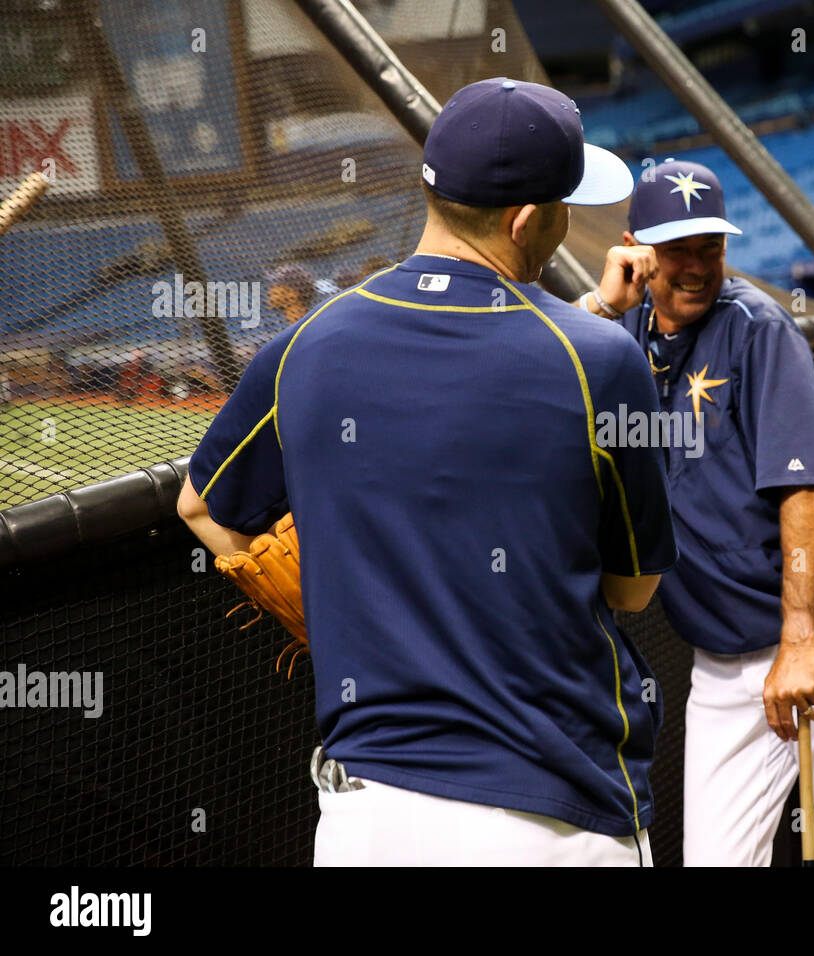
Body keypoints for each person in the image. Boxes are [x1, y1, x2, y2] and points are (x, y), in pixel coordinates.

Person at [177, 78, 676, 866]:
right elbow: (632, 588)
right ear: (525, 220)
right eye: (563, 204)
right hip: (552, 814)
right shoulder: (601, 362)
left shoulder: (305, 347)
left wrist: (357, 611)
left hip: (368, 816)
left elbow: (202, 509)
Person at [577, 159, 814, 866]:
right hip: (722, 660)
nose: (696, 267)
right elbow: (539, 382)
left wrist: (798, 641)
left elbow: (807, 492)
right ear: (636, 245)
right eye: (677, 249)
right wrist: (602, 306)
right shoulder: (617, 330)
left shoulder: (760, 328)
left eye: (710, 247)